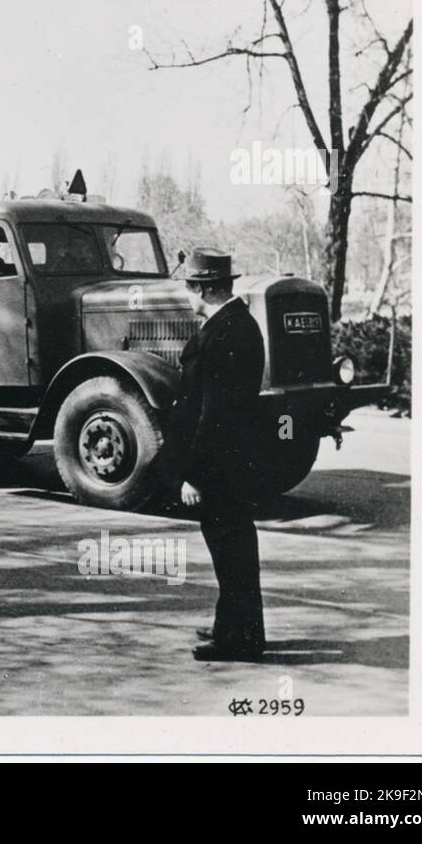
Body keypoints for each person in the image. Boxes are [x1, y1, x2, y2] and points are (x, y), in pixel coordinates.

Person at [160, 248, 267, 662]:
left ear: (203, 288)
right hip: (233, 461)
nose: (187, 297)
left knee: (230, 550)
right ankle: (236, 627)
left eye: (189, 288)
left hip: (221, 466)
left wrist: (195, 474)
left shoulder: (226, 333)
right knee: (233, 549)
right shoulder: (235, 325)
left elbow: (215, 415)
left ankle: (238, 640)